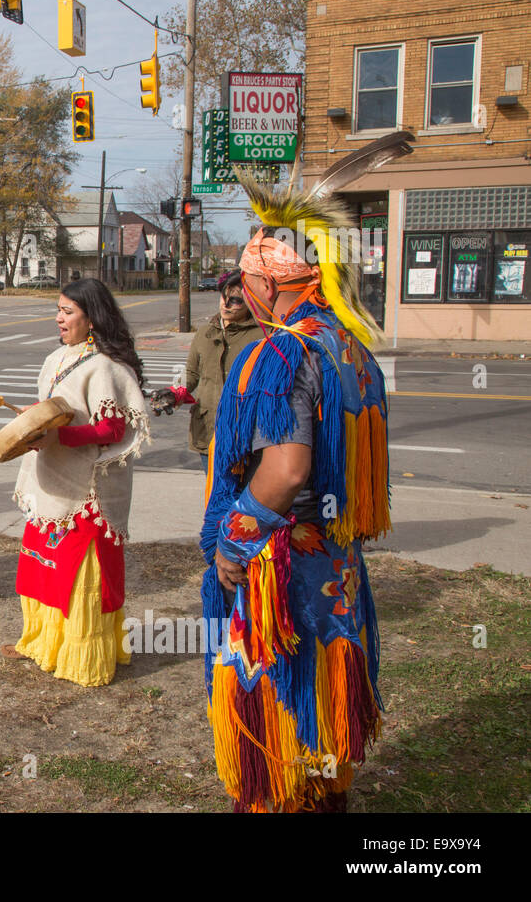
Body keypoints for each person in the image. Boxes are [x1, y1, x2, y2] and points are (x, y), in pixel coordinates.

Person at [201, 173, 391, 812]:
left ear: (271, 282)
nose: (242, 288)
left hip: (280, 567)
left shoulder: (284, 353)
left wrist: (234, 535)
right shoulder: (350, 350)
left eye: (247, 276)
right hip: (336, 566)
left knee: (277, 704)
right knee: (321, 700)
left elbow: (285, 471)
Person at [6, 278, 150, 686]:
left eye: (67, 311)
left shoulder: (105, 365)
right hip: (53, 481)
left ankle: (83, 655)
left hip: (87, 491)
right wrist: (36, 423)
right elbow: (57, 408)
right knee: (44, 568)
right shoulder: (58, 358)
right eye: (58, 310)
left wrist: (59, 436)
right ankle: (44, 643)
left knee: (78, 575)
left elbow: (110, 427)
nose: (59, 318)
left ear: (91, 317)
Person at [151, 270, 264, 471]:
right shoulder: (204, 333)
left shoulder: (262, 337)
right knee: (214, 497)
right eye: (224, 297)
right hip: (208, 429)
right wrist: (174, 393)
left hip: (247, 433)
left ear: (250, 303)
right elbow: (191, 374)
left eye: (235, 301)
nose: (226, 305)